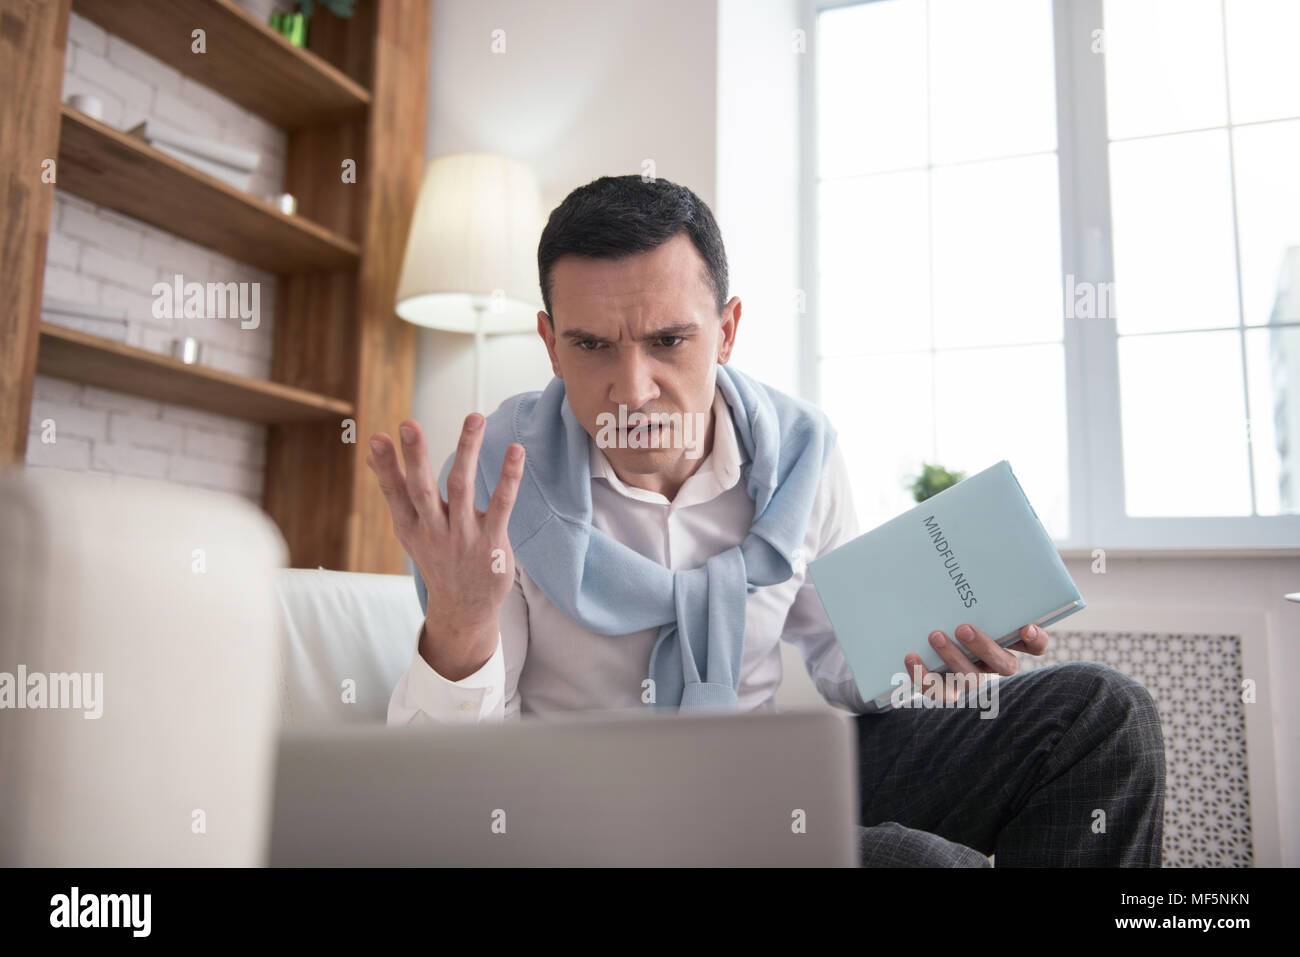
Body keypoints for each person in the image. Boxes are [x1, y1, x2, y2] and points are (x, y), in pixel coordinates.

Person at [366, 174, 1166, 866]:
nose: (634, 387)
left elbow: (843, 666)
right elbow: (457, 786)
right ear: (549, 342)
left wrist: (933, 657)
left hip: (763, 784)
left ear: (728, 330)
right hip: (595, 815)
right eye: (592, 346)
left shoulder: (798, 455)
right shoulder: (498, 484)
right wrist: (462, 624)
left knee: (1103, 715)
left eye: (669, 340)